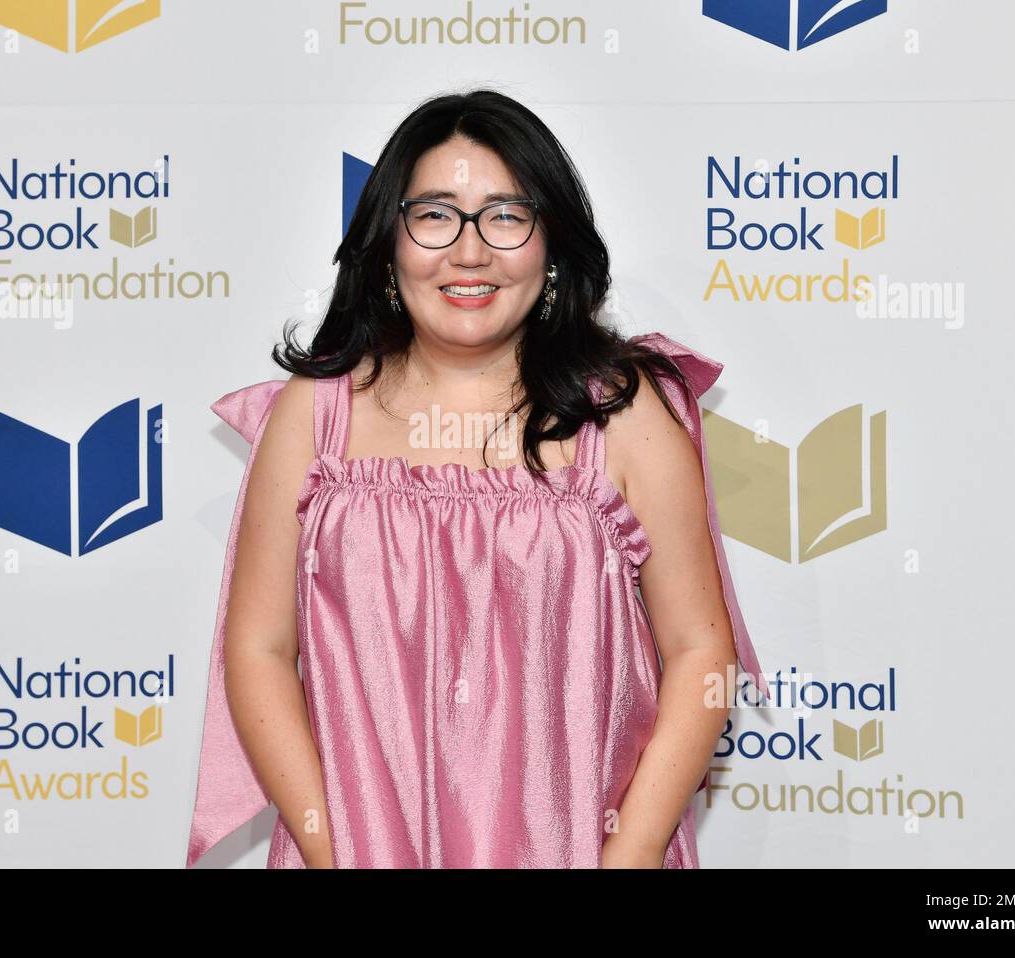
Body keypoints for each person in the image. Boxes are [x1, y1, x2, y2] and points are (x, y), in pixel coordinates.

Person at [186, 88, 769, 869]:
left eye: (505, 215)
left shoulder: (625, 415)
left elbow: (701, 650)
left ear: (551, 243)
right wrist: (333, 851)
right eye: (434, 215)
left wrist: (626, 856)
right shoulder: (313, 416)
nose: (469, 251)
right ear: (389, 243)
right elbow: (256, 648)